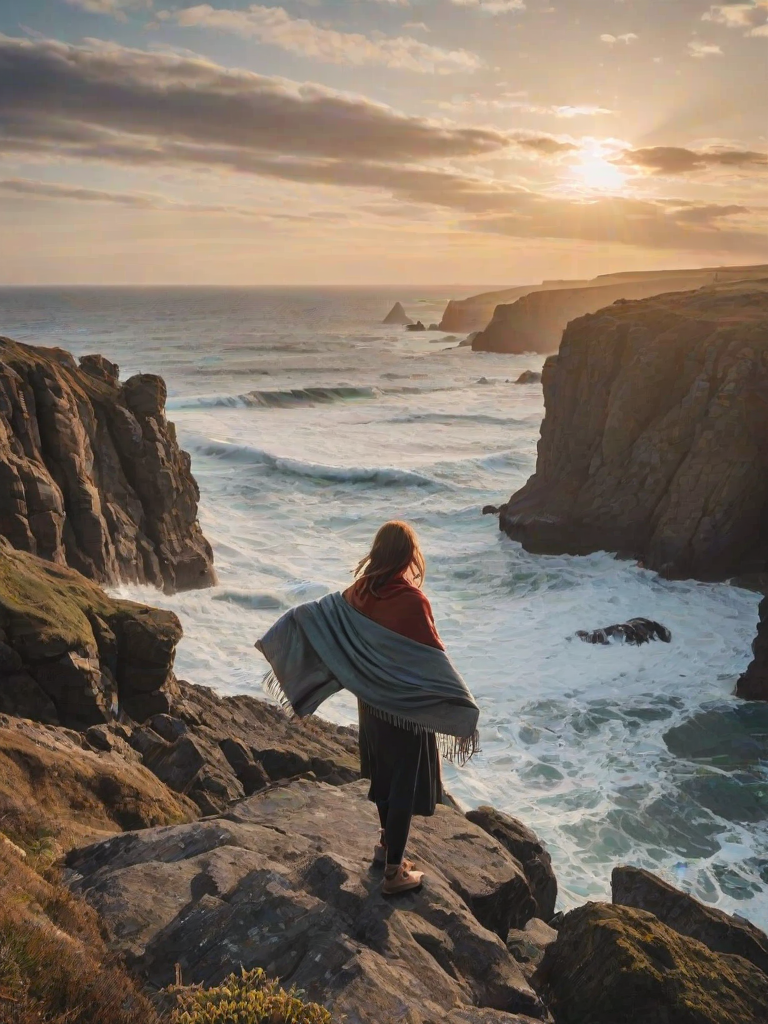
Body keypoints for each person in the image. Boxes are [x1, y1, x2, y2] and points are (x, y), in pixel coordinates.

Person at [255, 520, 479, 896]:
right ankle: (394, 873)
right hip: (404, 708)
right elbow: (430, 656)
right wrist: (460, 700)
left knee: (384, 777)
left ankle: (384, 850)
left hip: (371, 705)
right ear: (407, 556)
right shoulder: (411, 601)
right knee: (404, 784)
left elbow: (314, 615)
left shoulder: (356, 593)